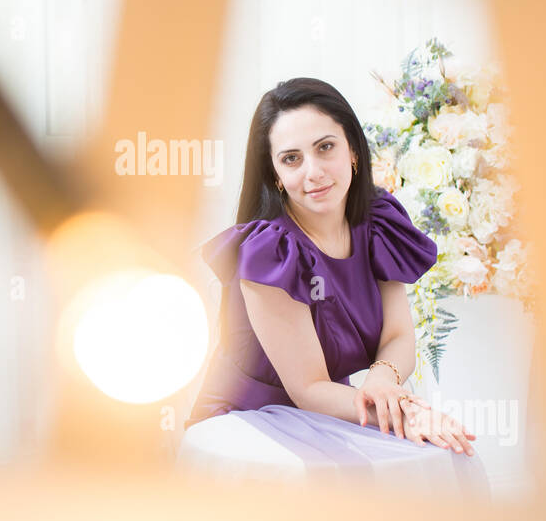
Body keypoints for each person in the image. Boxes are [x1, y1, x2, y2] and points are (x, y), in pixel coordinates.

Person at [184, 76, 478, 461]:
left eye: (325, 148)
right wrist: (409, 413)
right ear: (275, 173)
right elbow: (308, 388)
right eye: (292, 159)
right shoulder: (269, 251)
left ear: (353, 150)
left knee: (443, 460)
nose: (313, 172)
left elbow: (398, 335)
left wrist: (382, 380)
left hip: (338, 407)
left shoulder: (378, 221)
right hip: (249, 421)